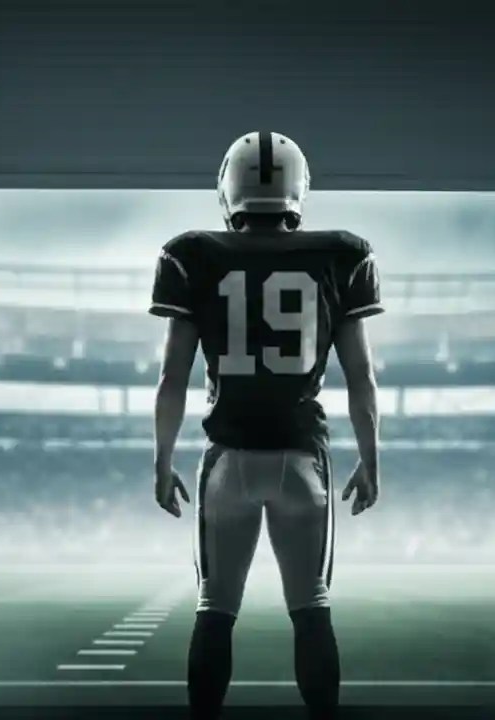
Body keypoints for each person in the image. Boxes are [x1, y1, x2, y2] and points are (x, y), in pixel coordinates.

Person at [148, 131, 383, 720]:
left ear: (229, 190)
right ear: (297, 190)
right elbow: (361, 376)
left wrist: (161, 461)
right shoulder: (342, 254)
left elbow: (172, 375)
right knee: (311, 606)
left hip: (227, 459)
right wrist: (372, 460)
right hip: (304, 460)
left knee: (214, 608)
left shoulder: (191, 254)